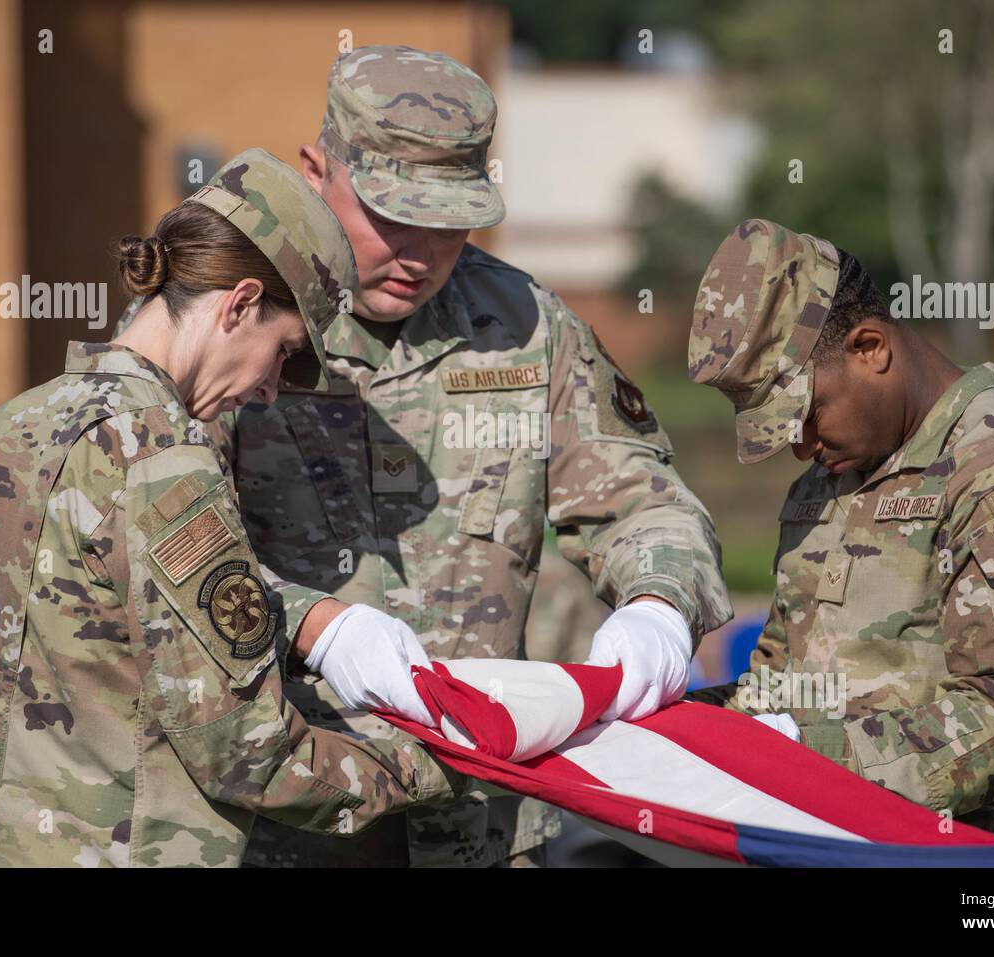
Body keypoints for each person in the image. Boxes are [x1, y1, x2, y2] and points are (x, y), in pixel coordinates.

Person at [227, 45, 733, 867]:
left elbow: (643, 499)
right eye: (392, 217)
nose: (421, 252)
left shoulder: (526, 326)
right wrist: (320, 629)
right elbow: (162, 552)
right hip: (291, 821)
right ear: (317, 172)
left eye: (448, 221)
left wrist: (658, 601)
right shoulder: (237, 320)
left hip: (482, 827)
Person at [0, 148, 465, 867]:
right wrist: (440, 765)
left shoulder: (12, 423)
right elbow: (247, 753)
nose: (270, 390)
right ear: (237, 305)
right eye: (284, 352)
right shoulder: (162, 457)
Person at [687, 219, 994, 845]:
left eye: (805, 416)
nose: (800, 445)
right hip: (827, 846)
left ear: (869, 348)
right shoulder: (828, 478)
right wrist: (685, 727)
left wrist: (796, 759)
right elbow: (778, 686)